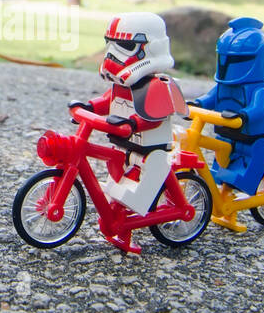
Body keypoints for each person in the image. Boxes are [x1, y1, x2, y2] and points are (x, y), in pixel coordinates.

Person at [72, 13, 185, 214]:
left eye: (125, 46)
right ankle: (119, 213)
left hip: (152, 150)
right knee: (115, 182)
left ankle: (141, 210)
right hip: (125, 145)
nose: (112, 54)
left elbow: (153, 117)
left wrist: (133, 124)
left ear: (151, 48)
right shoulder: (123, 86)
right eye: (110, 44)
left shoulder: (157, 86)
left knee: (138, 193)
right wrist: (90, 107)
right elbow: (108, 100)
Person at [190, 17, 264, 197]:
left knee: (258, 152)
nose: (227, 65)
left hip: (252, 137)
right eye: (224, 60)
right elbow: (210, 98)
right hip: (227, 132)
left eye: (234, 60)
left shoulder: (259, 88)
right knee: (221, 161)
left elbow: (260, 109)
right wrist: (198, 103)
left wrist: (244, 115)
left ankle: (246, 184)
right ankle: (220, 186)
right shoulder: (223, 85)